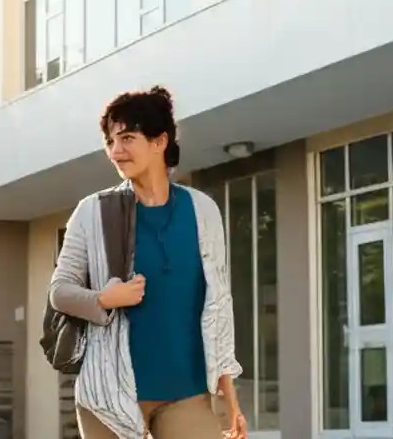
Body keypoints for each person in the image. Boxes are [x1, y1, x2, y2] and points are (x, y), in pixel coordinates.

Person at [49, 86, 248, 439]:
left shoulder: (202, 210)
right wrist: (103, 300)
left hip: (188, 392)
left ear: (159, 141)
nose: (116, 151)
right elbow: (60, 292)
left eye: (127, 138)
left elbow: (219, 307)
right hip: (110, 393)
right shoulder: (93, 212)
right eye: (110, 141)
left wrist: (229, 399)